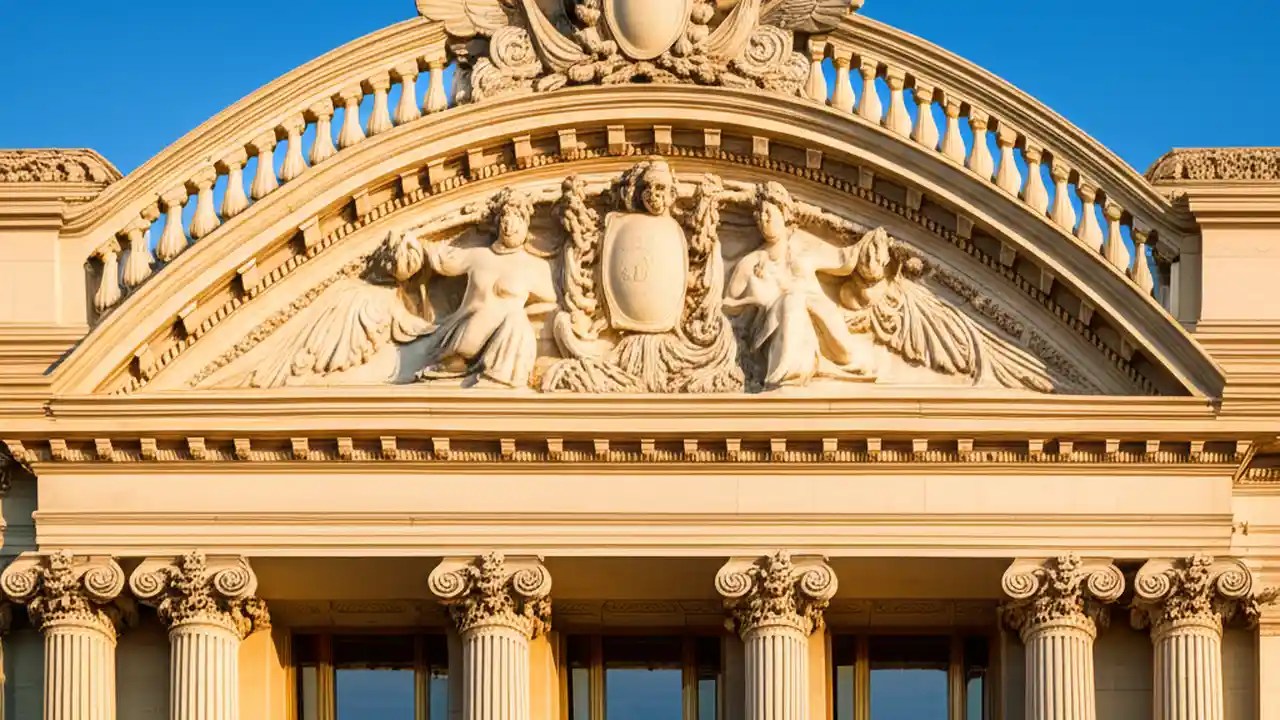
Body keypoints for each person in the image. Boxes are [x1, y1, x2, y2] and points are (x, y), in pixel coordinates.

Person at [724, 181, 870, 387]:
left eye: (768, 214)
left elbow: (844, 259)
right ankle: (786, 377)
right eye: (760, 216)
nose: (763, 220)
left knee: (844, 349)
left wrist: (873, 245)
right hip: (775, 333)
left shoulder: (805, 249)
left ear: (783, 214)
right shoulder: (751, 263)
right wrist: (757, 299)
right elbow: (729, 307)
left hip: (822, 318)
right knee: (791, 301)